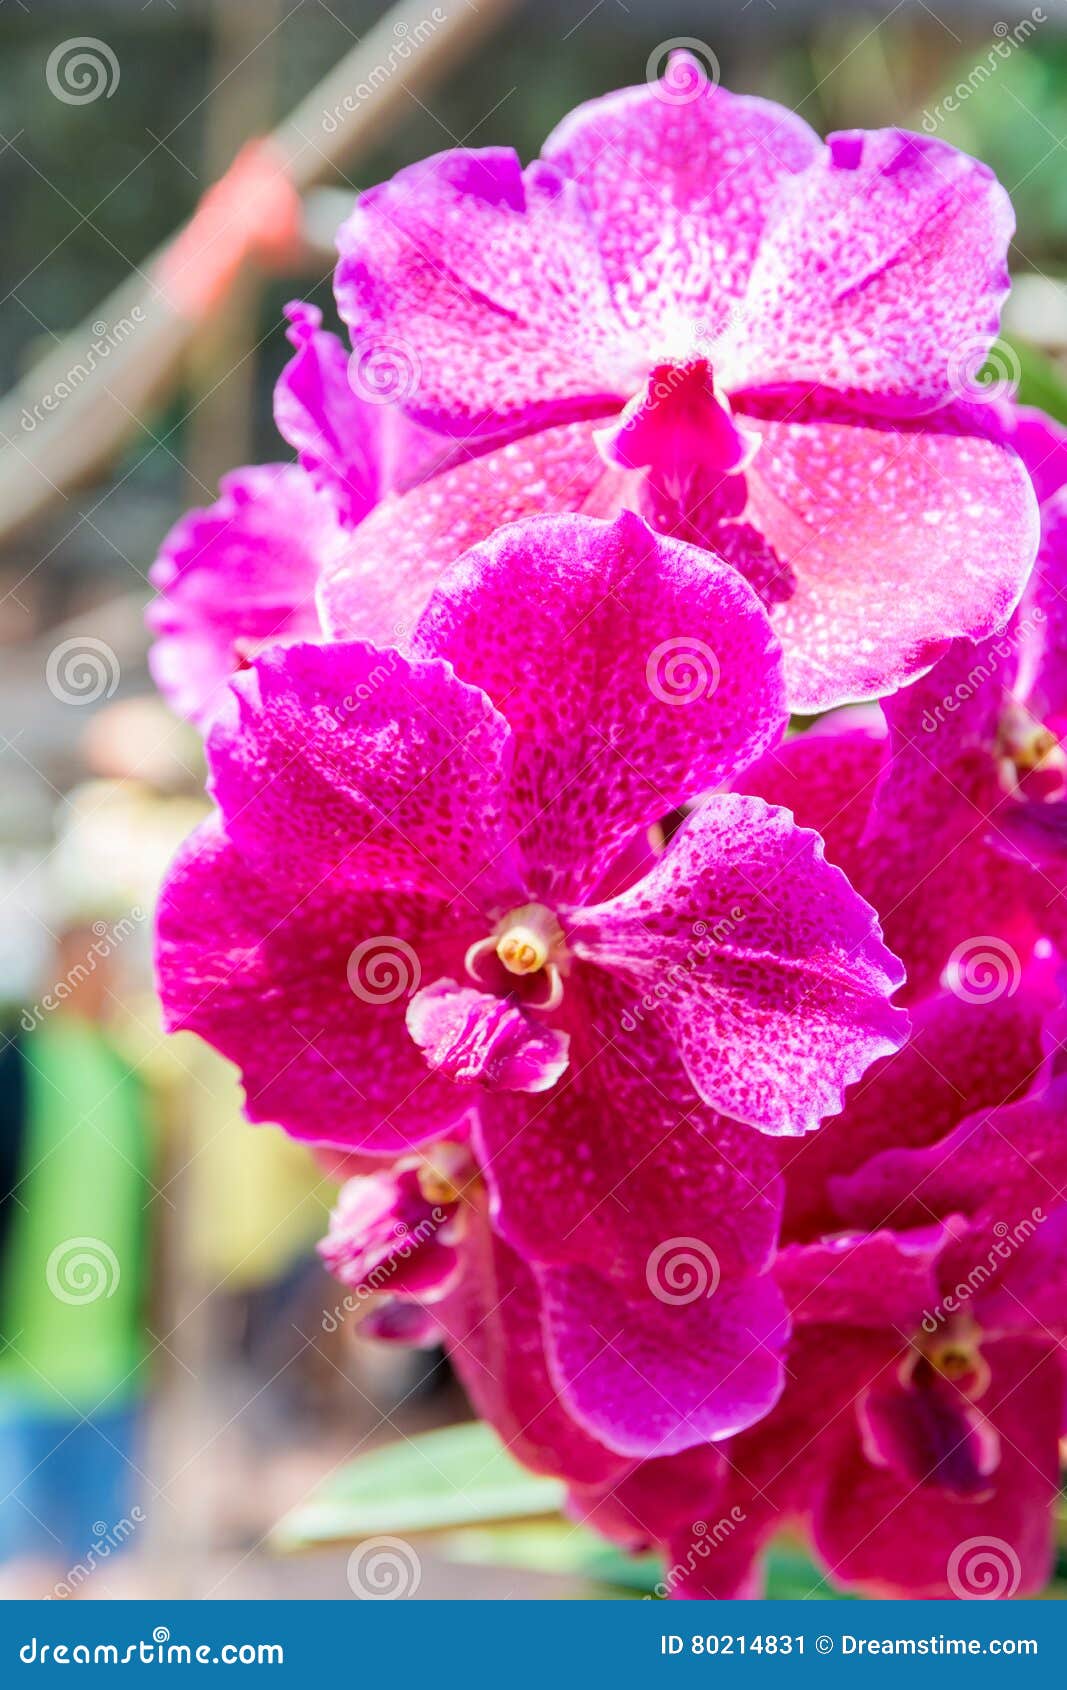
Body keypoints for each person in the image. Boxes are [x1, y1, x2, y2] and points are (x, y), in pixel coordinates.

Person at [0, 925, 154, 1596]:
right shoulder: (16, 1066)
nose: (108, 981)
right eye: (94, 965)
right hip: (19, 1366)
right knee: (23, 1563)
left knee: (105, 1561)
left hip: (111, 1363)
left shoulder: (127, 1075)